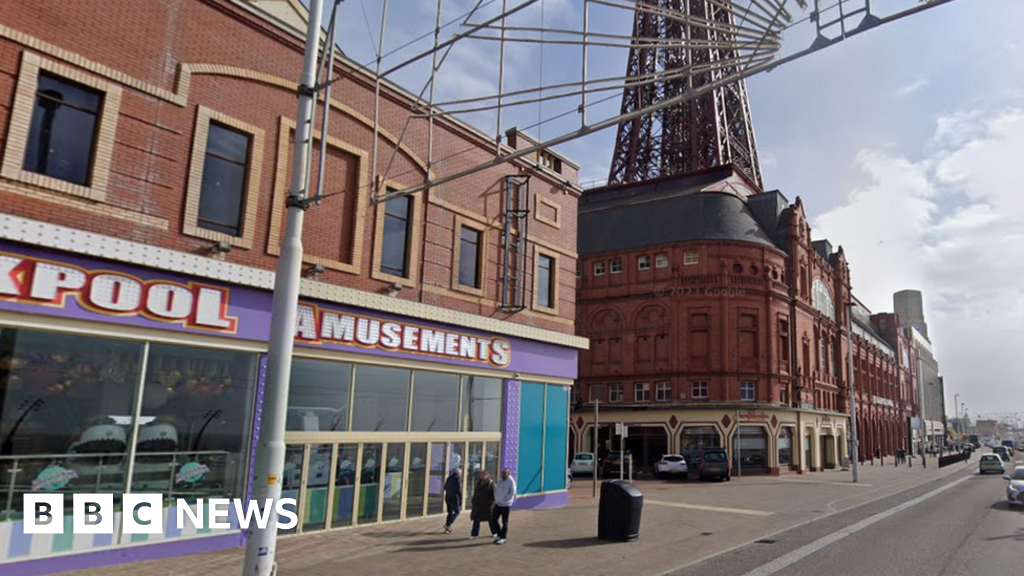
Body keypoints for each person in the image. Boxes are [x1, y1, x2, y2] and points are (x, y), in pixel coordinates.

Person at [490, 467, 516, 545]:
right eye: (502, 473)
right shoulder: (499, 480)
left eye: (505, 473)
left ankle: (503, 537)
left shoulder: (511, 481)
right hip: (498, 503)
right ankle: (499, 534)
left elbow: (512, 492)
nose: (503, 474)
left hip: (506, 504)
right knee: (493, 519)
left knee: (504, 522)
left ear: (508, 474)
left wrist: (506, 499)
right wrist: (496, 498)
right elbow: (496, 489)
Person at [468, 470, 495, 540]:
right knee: (476, 519)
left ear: (487, 476)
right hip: (478, 505)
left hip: (486, 506)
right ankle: (474, 534)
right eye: (481, 475)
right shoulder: (479, 483)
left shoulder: (490, 483)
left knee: (490, 519)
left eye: (483, 475)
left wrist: (490, 504)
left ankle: (495, 532)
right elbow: (476, 492)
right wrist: (473, 501)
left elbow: (493, 495)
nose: (481, 476)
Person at [443, 468, 462, 534]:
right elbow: (459, 491)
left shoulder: (449, 479)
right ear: (458, 474)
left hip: (448, 497)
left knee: (450, 512)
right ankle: (448, 524)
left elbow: (445, 487)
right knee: (457, 512)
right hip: (454, 498)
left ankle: (448, 528)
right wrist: (461, 499)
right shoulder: (457, 480)